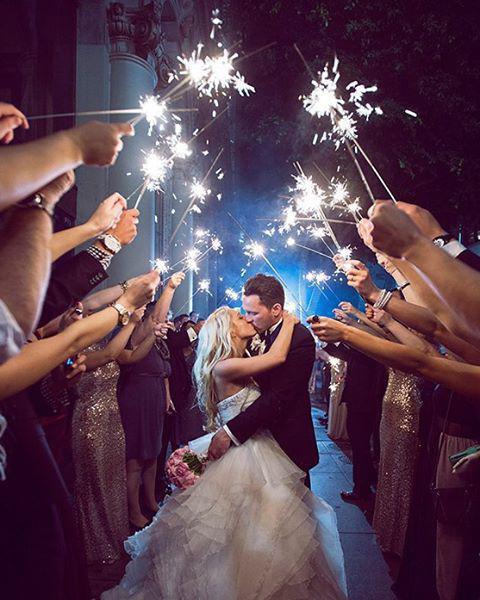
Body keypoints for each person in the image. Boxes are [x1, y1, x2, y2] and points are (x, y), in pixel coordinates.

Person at [102, 307, 347, 599]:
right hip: (244, 455)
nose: (246, 318)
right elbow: (277, 358)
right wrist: (290, 323)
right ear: (228, 331)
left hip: (258, 449)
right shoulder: (223, 365)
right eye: (239, 317)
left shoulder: (241, 360)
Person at [208, 274, 319, 486]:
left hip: (288, 443)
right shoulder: (250, 336)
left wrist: (230, 432)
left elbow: (279, 397)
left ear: (275, 310)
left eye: (253, 313)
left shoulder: (300, 338)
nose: (247, 318)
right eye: (245, 312)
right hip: (253, 445)